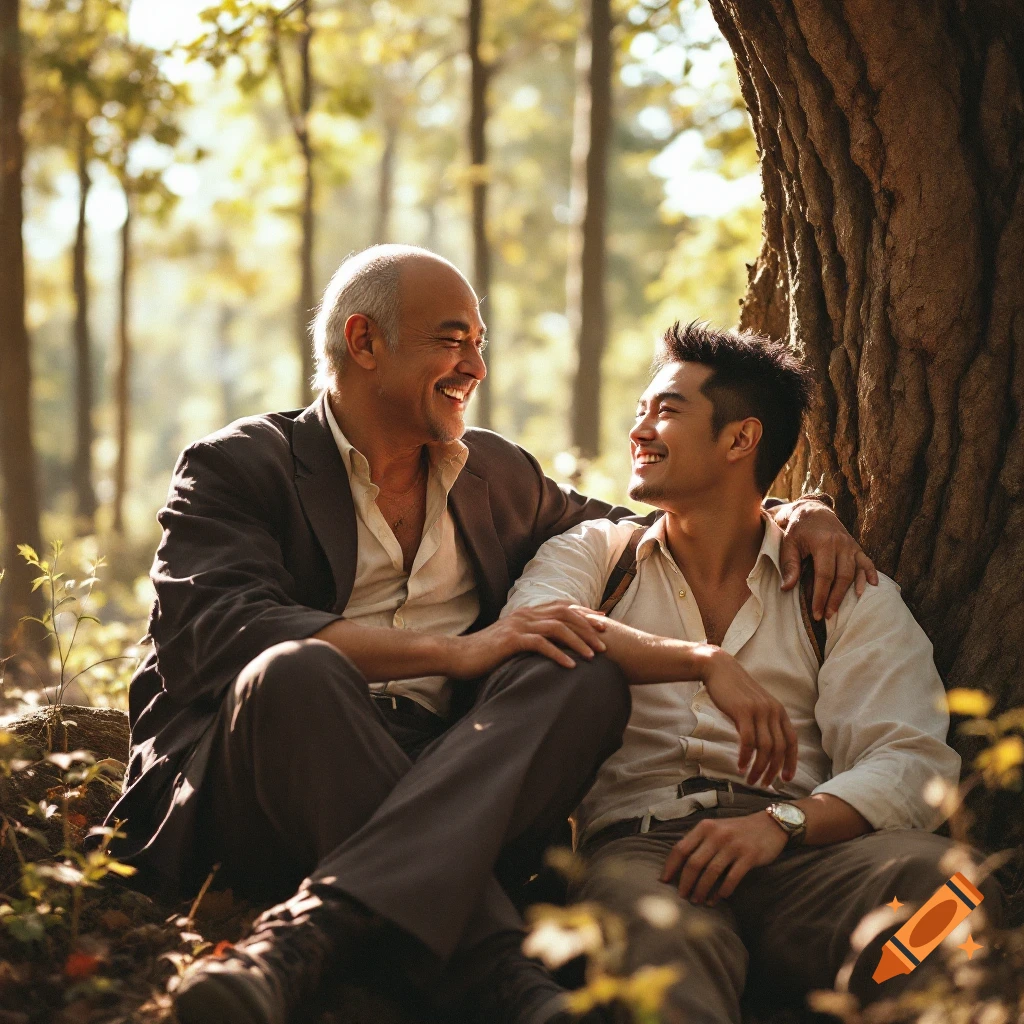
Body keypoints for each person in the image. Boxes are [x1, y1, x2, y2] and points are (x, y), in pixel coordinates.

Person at [103, 246, 873, 1024]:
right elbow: (217, 634)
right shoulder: (242, 463)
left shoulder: (495, 474)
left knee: (578, 670)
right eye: (452, 341)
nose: (475, 367)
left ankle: (312, 933)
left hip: (459, 780)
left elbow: (668, 526)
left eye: (479, 342)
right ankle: (497, 976)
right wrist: (458, 651)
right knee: (298, 671)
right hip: (274, 777)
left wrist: (797, 514)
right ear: (365, 342)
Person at [501, 321, 1004, 1023]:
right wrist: (702, 662)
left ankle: (896, 1005)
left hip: (806, 855)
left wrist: (783, 822)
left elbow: (910, 759)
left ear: (741, 439)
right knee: (662, 953)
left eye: (666, 411)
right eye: (641, 410)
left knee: (954, 891)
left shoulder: (843, 590)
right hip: (643, 853)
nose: (639, 430)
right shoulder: (599, 554)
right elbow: (533, 625)